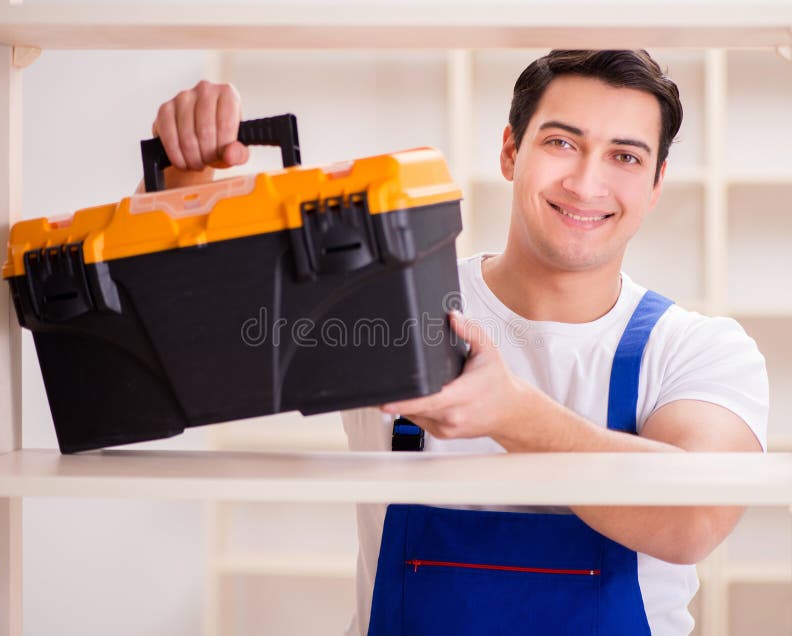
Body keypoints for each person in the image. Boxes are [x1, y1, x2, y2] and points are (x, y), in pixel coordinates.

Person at [149, 49, 768, 636]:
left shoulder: (697, 350)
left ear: (656, 183)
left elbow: (693, 520)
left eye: (625, 157)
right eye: (561, 142)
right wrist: (190, 194)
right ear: (509, 151)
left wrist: (515, 417)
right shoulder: (388, 307)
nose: (586, 182)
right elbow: (198, 357)